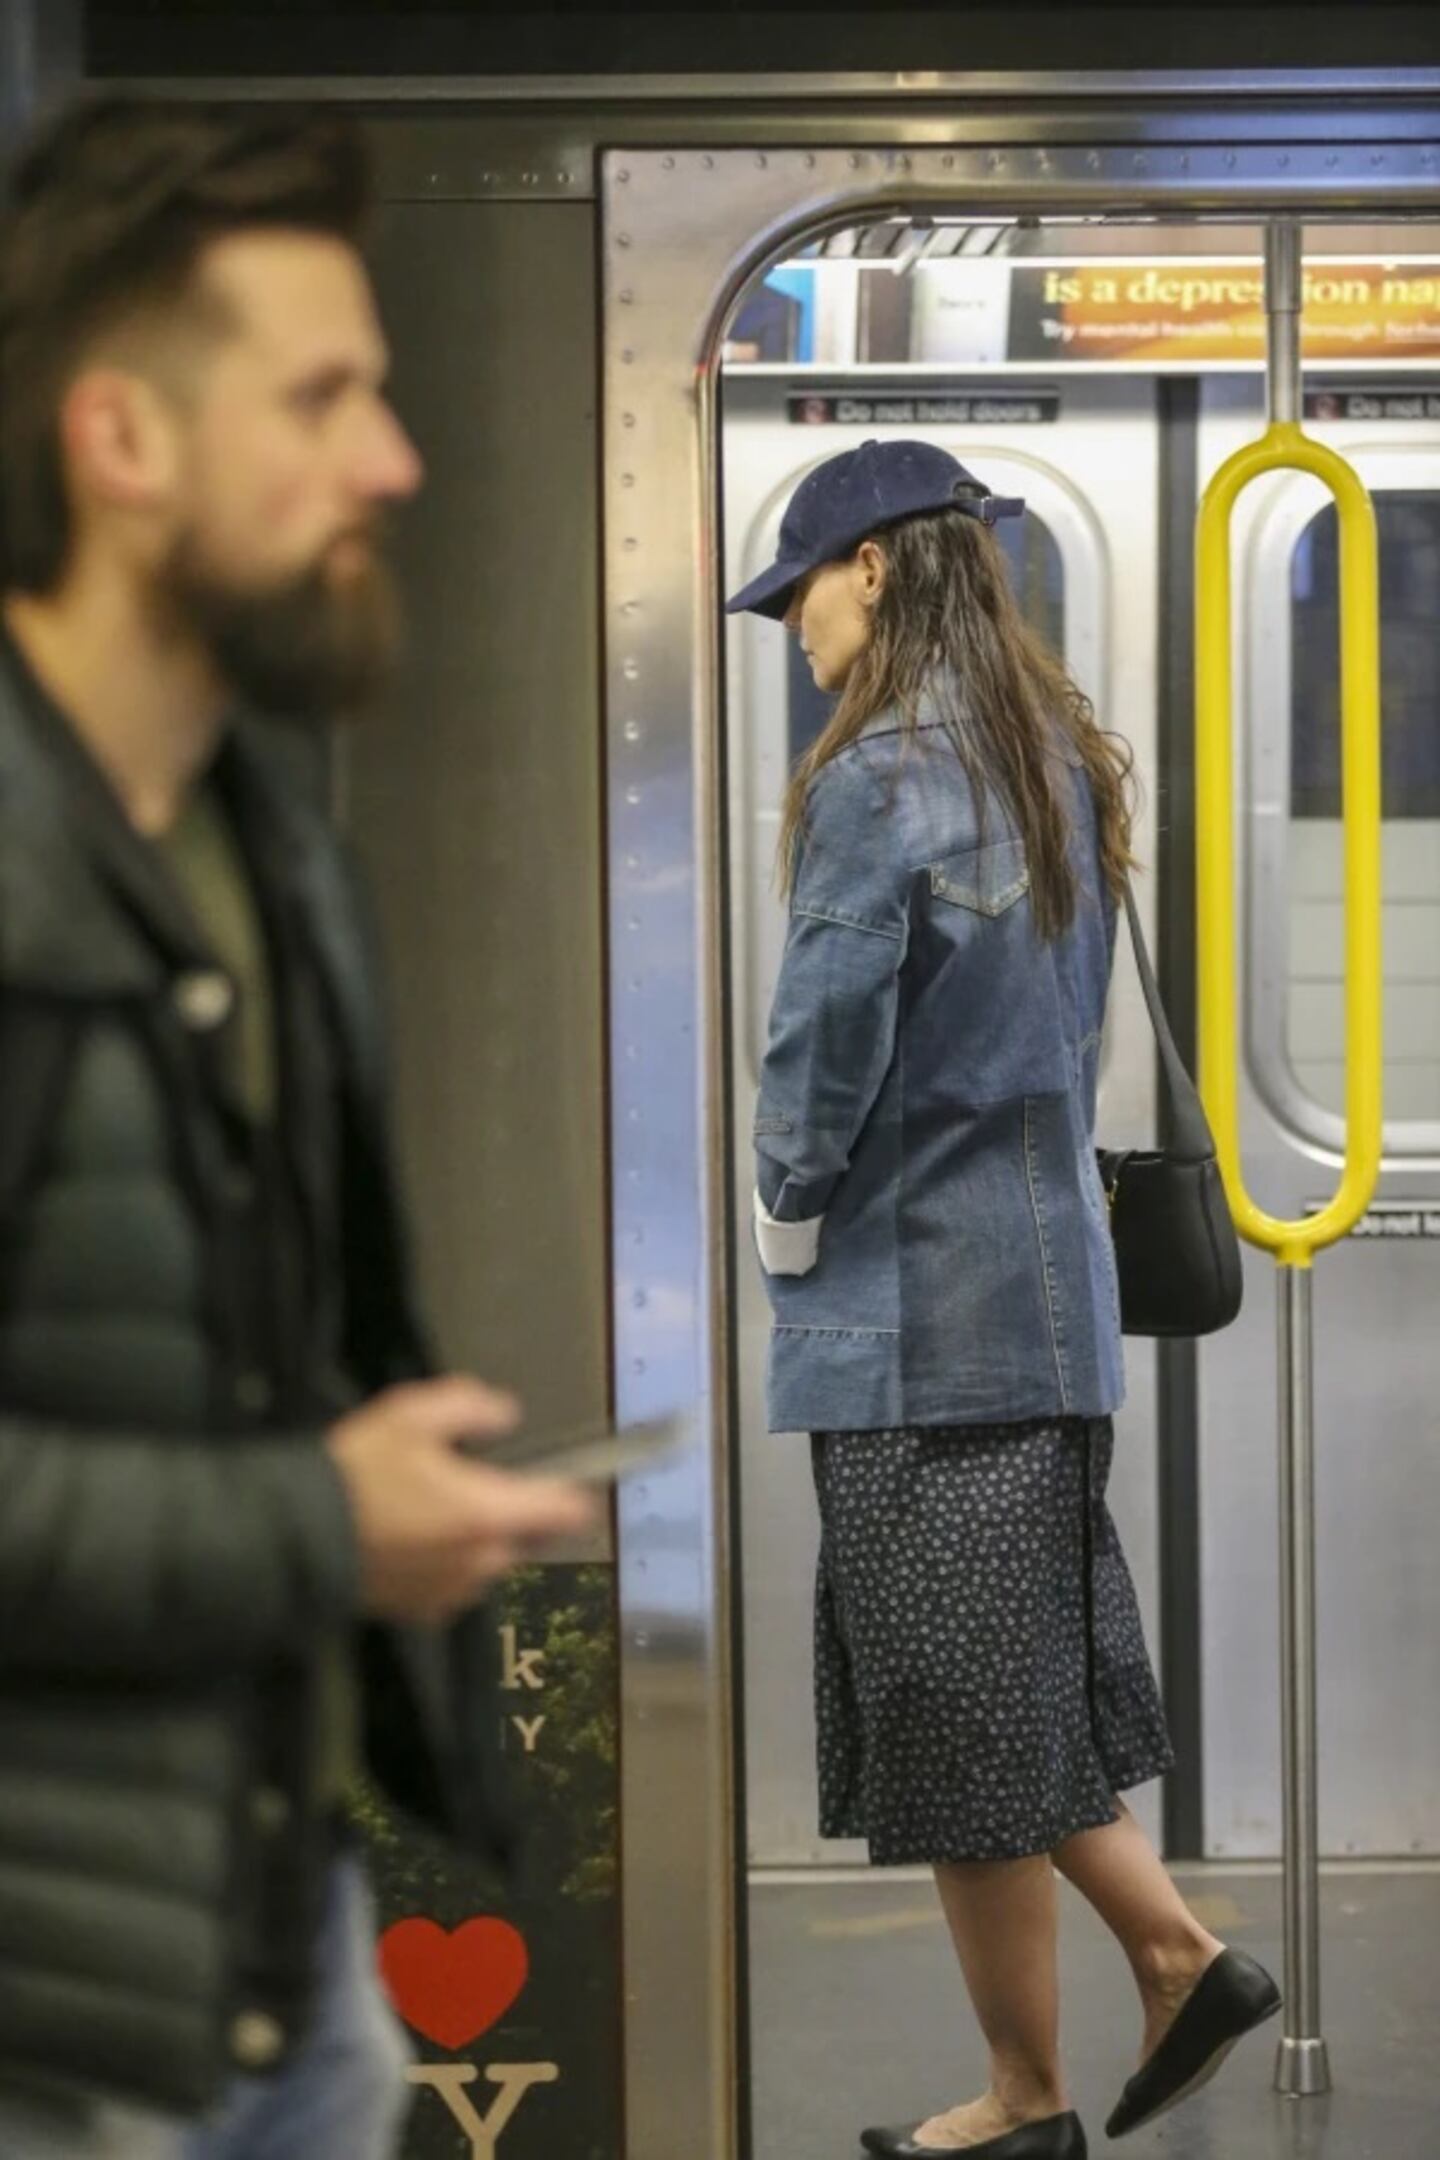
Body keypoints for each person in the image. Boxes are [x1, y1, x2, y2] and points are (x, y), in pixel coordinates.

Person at [0, 95, 594, 2160]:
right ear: (121, 441)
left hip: (273, 1958)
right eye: (323, 395)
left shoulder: (272, 853)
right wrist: (322, 1525)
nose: (394, 463)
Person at [728, 439, 1280, 2159]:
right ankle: (1060, 2072)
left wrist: (780, 1201)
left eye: (801, 590)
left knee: (967, 1721)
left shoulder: (873, 780)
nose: (792, 628)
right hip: (1048, 1311)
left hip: (918, 1330)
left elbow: (823, 1052)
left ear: (876, 569)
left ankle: (1136, 1993)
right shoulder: (1054, 759)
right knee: (1006, 1705)